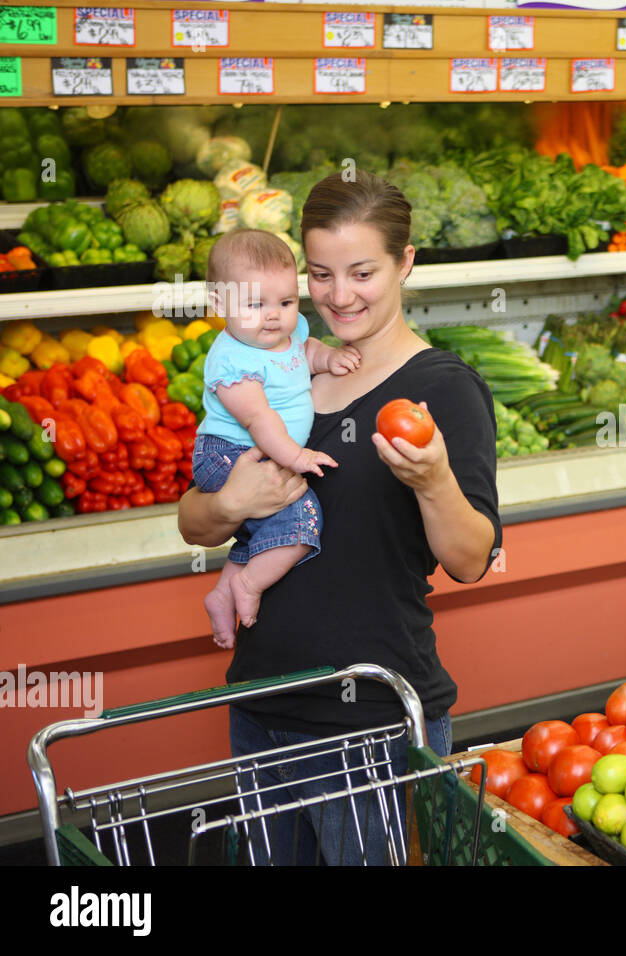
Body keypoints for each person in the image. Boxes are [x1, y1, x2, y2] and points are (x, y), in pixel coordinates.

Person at [177, 171, 502, 864]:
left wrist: (435, 479)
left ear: (405, 261)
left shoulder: (442, 389)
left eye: (362, 272)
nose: (338, 295)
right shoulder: (276, 364)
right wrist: (230, 503)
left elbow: (471, 558)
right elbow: (194, 524)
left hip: (373, 721)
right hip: (263, 703)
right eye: (320, 274)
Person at [194, 228, 361, 648]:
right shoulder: (231, 360)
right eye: (255, 304)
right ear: (219, 304)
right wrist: (296, 456)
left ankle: (221, 594)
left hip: (263, 451)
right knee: (302, 519)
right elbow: (259, 418)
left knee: (258, 532)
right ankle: (248, 585)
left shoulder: (283, 337)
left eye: (286, 303)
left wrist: (328, 358)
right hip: (231, 454)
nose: (273, 316)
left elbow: (302, 353)